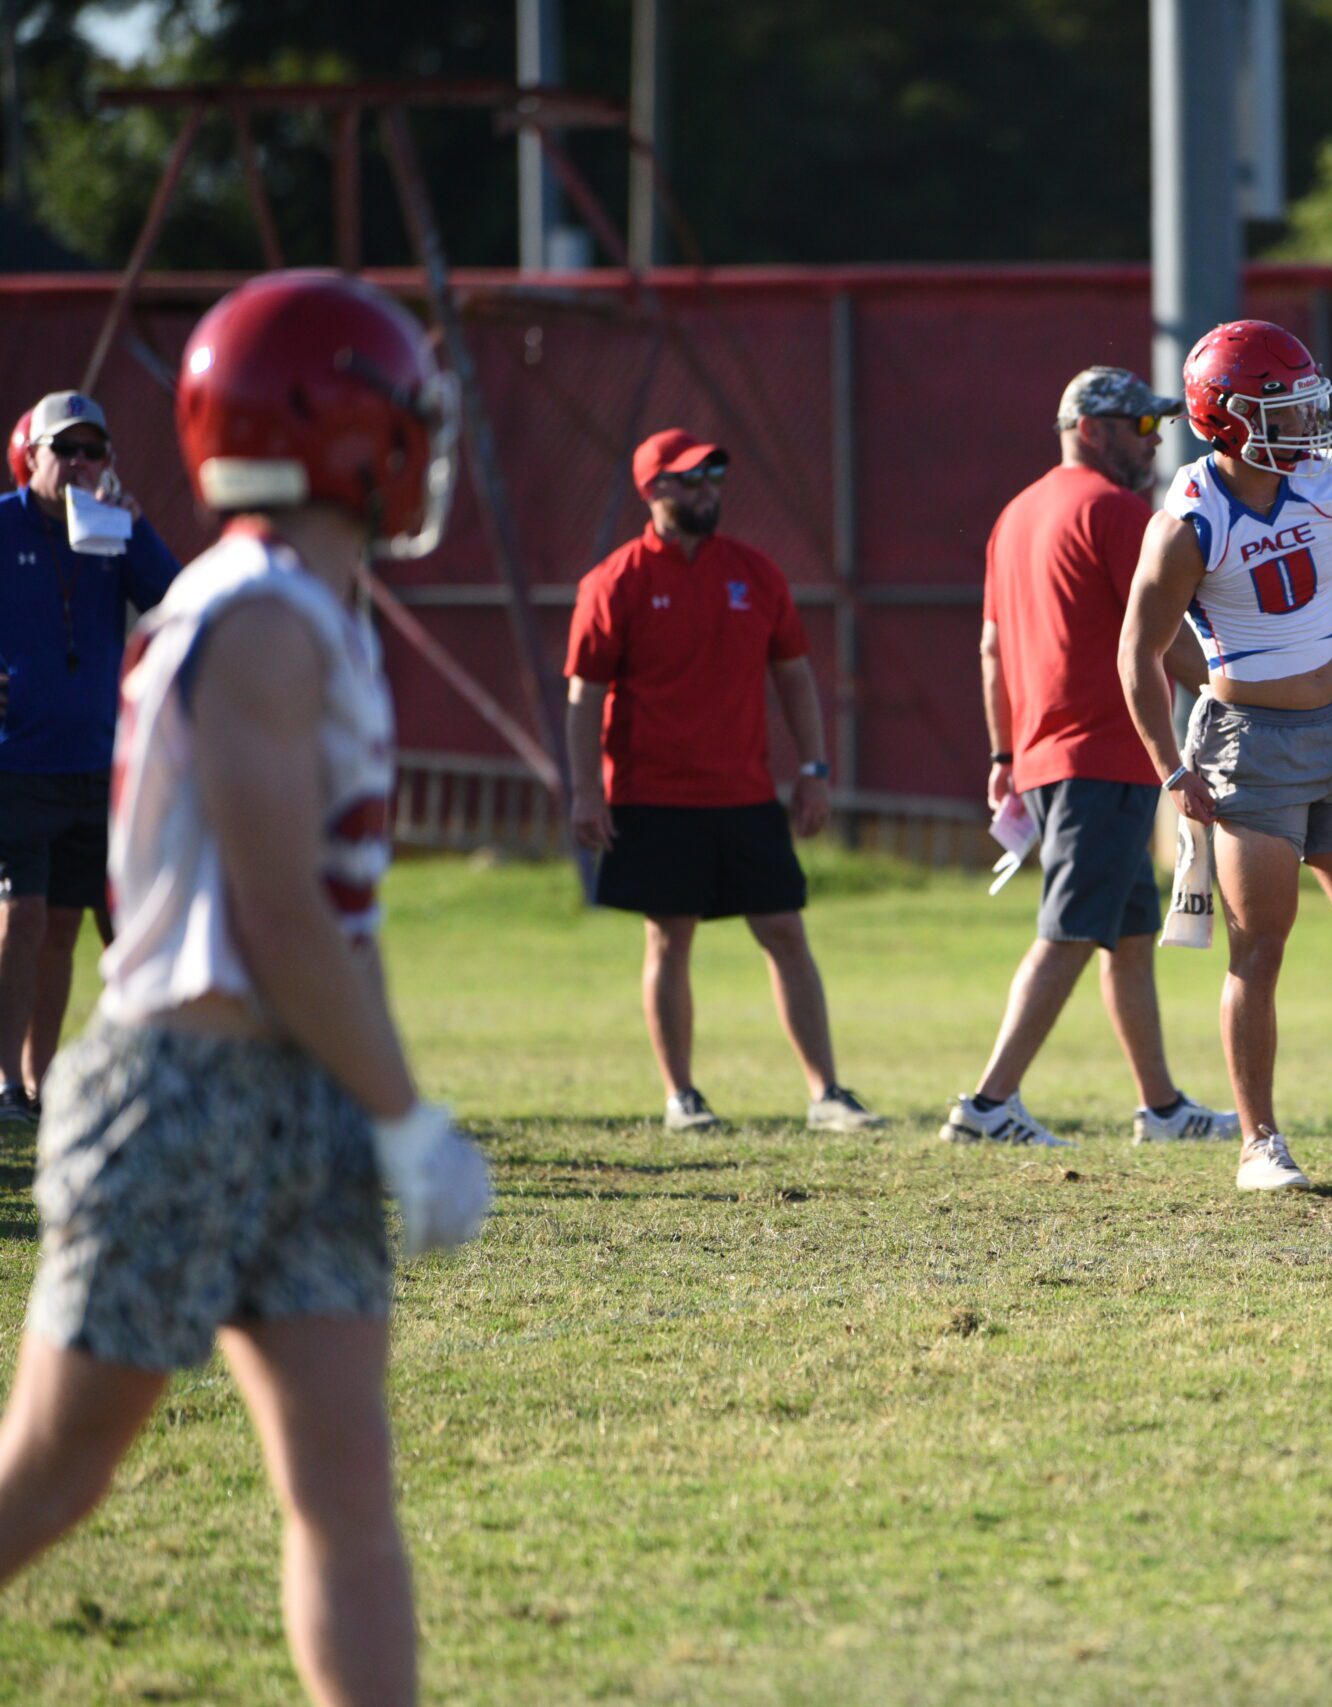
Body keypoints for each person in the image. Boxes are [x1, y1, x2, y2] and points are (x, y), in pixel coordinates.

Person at [0, 270, 491, 1705]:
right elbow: (274, 908)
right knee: (55, 1473)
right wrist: (404, 1115)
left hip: (296, 1092)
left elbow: (343, 915)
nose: (422, 445)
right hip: (185, 1090)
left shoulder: (322, 607)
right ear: (343, 428)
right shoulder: (264, 613)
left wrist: (379, 1089)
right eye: (402, 415)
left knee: (347, 1492)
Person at [1119, 319, 1332, 1194]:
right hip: (1246, 747)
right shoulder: (1189, 522)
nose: (1305, 423)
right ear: (1224, 417)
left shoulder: (1327, 483)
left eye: (1308, 403)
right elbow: (1137, 655)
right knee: (1260, 948)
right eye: (1283, 406)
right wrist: (1170, 766)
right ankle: (1260, 1142)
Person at [951, 366, 1238, 1148]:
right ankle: (986, 1104)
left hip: (1051, 752)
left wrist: (1003, 750)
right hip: (1099, 755)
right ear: (1090, 430)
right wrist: (1238, 692)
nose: (1154, 442)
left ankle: (1163, 1107)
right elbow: (1159, 638)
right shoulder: (1113, 510)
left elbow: (991, 648)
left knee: (1131, 935)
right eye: (1139, 427)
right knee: (1072, 930)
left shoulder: (1014, 515)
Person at [566, 428, 881, 1134]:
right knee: (668, 938)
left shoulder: (756, 573)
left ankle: (826, 1091)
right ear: (654, 490)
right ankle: (682, 1097)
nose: (708, 489)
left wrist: (813, 769)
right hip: (652, 794)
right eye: (690, 479)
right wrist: (587, 790)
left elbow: (794, 675)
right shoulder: (615, 581)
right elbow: (584, 694)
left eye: (714, 477)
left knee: (784, 929)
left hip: (744, 792)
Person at [0, 390, 182, 1126]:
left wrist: (134, 530)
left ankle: (41, 1082)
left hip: (97, 763)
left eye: (92, 450)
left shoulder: (112, 531)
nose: (77, 463)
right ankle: (4, 1080)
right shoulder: (4, 522)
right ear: (31, 454)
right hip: (18, 761)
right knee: (24, 912)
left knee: (68, 923)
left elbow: (174, 601)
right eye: (64, 448)